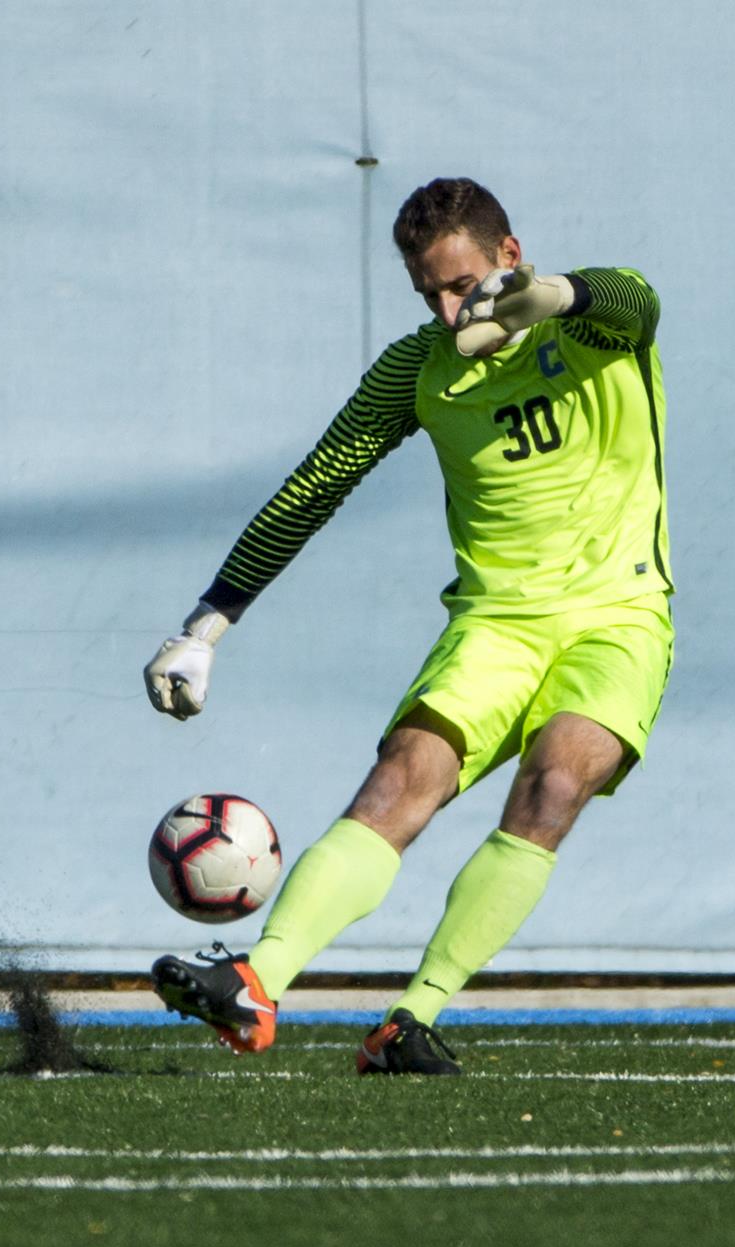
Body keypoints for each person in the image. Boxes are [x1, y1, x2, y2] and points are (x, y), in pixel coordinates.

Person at [142, 177, 673, 1075]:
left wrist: (561, 295)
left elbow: (637, 299)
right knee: (400, 781)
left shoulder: (592, 322)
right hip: (495, 625)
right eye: (426, 290)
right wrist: (207, 623)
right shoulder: (417, 368)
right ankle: (257, 981)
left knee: (555, 785)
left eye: (460, 283)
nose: (445, 305)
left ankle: (411, 1020)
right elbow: (315, 486)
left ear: (510, 256)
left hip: (619, 615)